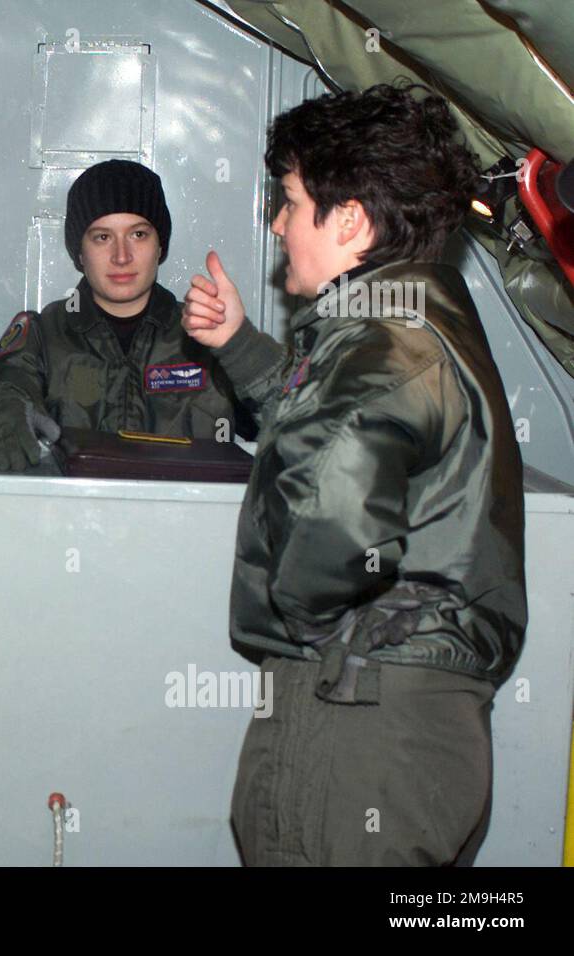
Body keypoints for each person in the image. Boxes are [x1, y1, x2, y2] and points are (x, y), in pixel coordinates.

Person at [182, 84, 527, 866]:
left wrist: (298, 623)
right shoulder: (419, 316)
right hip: (416, 723)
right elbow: (333, 427)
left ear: (349, 220)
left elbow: (325, 517)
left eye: (290, 201)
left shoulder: (377, 343)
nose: (277, 223)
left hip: (354, 713)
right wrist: (239, 343)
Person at [0, 159, 243, 471]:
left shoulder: (207, 333)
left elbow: (289, 417)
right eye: (102, 237)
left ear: (160, 246)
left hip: (188, 518)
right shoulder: (44, 335)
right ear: (79, 252)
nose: (121, 256)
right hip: (66, 518)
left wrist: (241, 346)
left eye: (139, 235)